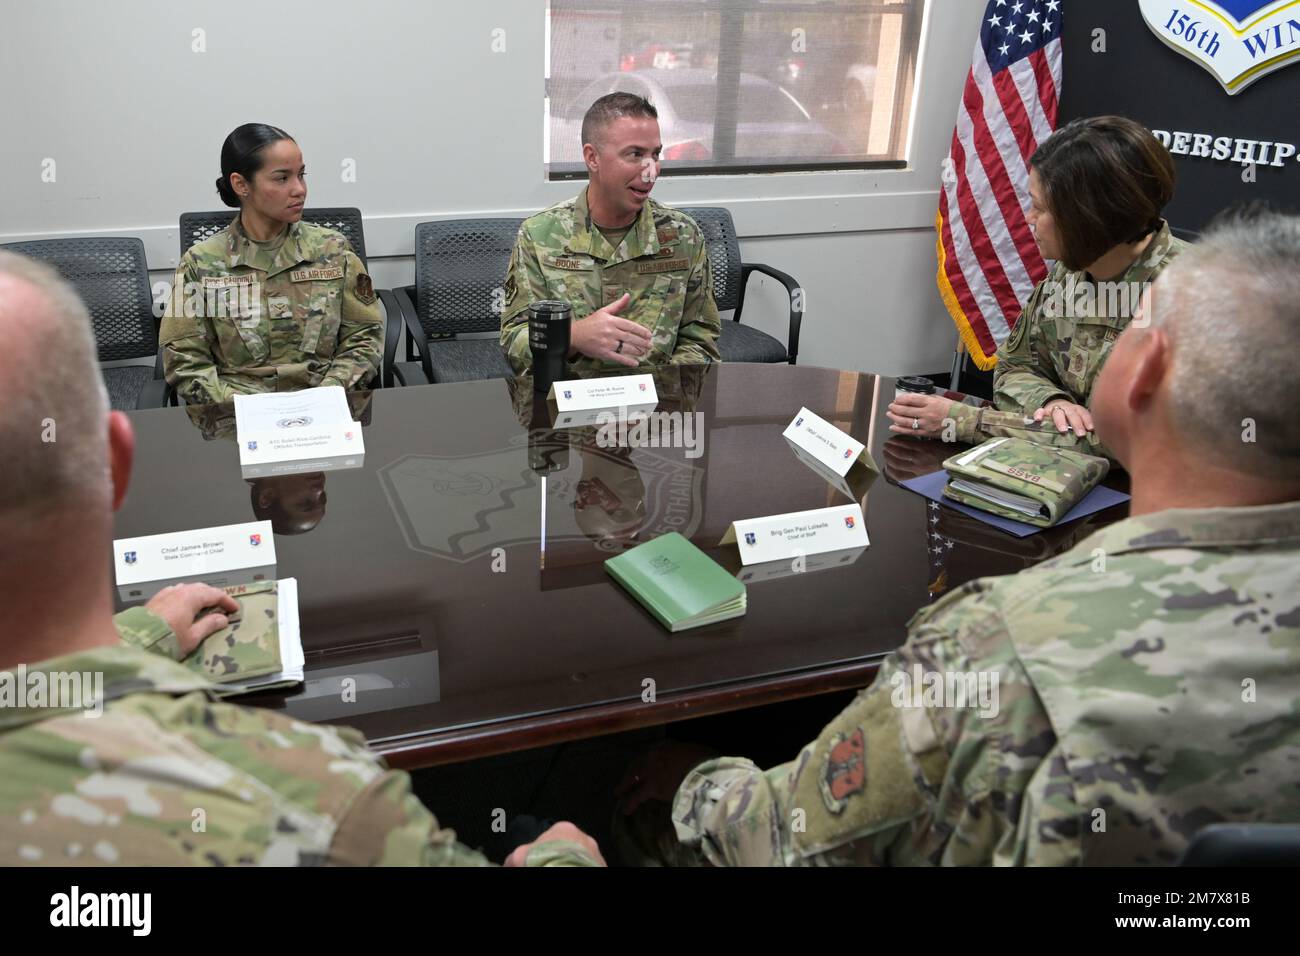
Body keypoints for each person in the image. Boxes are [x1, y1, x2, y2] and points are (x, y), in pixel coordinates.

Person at [618, 206, 1300, 866]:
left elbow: (783, 837)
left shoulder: (1000, 643)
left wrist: (693, 776)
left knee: (596, 819)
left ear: (1145, 371)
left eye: (1134, 327)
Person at [0, 250, 600, 866]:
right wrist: (564, 854)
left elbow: (368, 335)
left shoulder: (332, 254)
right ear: (116, 462)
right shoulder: (318, 801)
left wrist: (143, 635)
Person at [890, 116, 1186, 458]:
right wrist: (1051, 401)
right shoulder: (1073, 270)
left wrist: (966, 422)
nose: (1028, 219)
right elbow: (1016, 365)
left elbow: (1129, 442)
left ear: (1088, 220)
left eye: (1040, 208)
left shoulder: (1189, 301)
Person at [160, 123, 384, 406]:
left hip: (326, 408)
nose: (299, 189)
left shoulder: (333, 250)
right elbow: (185, 361)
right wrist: (243, 407)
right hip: (238, 417)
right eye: (282, 178)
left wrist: (330, 393)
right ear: (241, 184)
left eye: (301, 175)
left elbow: (363, 337)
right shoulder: (200, 263)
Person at [500, 93, 721, 374]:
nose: (651, 171)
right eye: (635, 154)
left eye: (656, 154)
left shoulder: (683, 236)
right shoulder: (540, 236)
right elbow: (514, 343)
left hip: (658, 406)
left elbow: (700, 341)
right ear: (593, 157)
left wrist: (657, 395)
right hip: (569, 406)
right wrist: (573, 336)